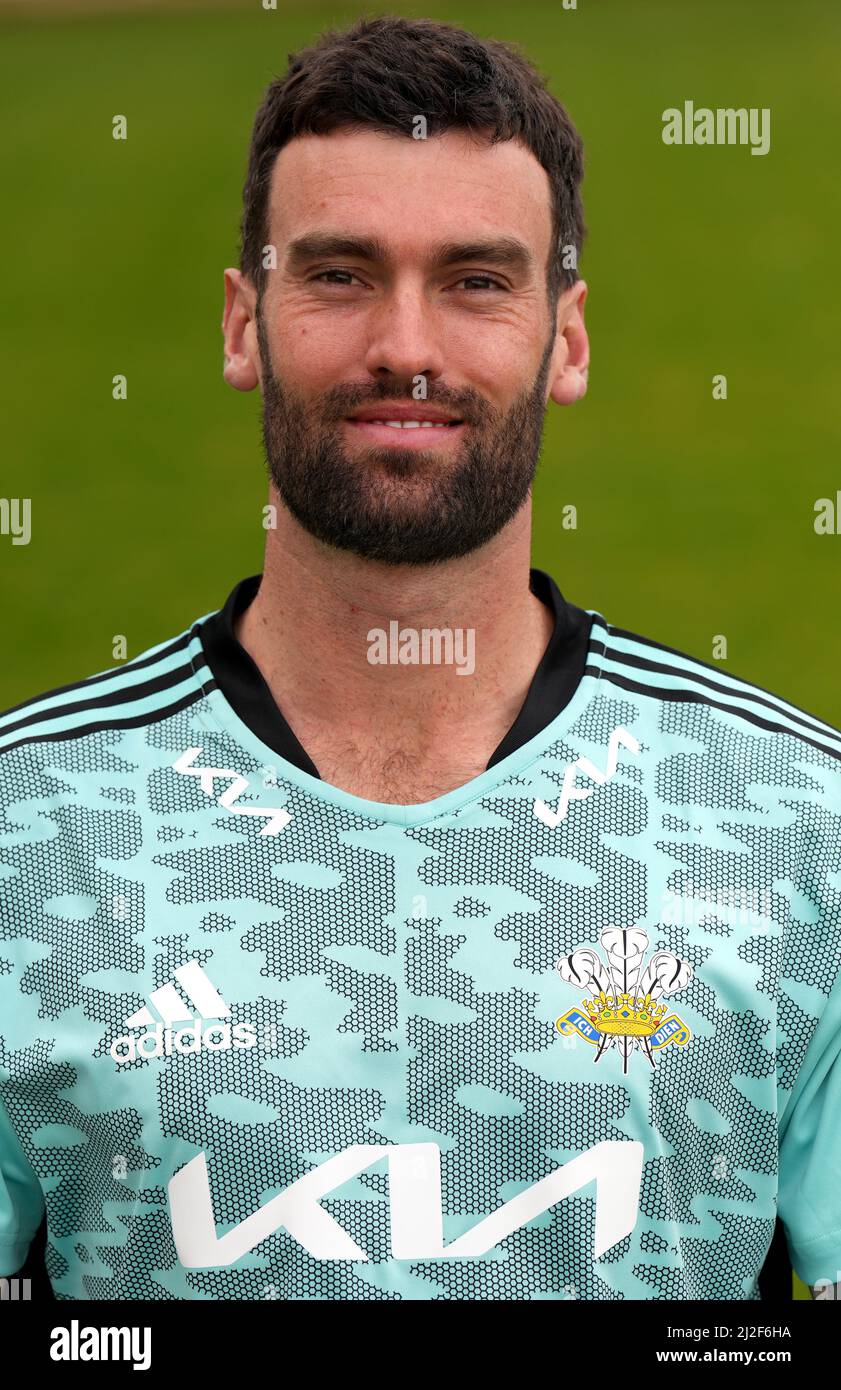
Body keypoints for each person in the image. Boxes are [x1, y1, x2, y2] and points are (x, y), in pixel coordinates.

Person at [1, 15, 839, 1302]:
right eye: (339, 275)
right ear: (244, 323)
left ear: (564, 338)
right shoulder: (27, 834)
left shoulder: (797, 829)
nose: (407, 347)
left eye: (476, 280)